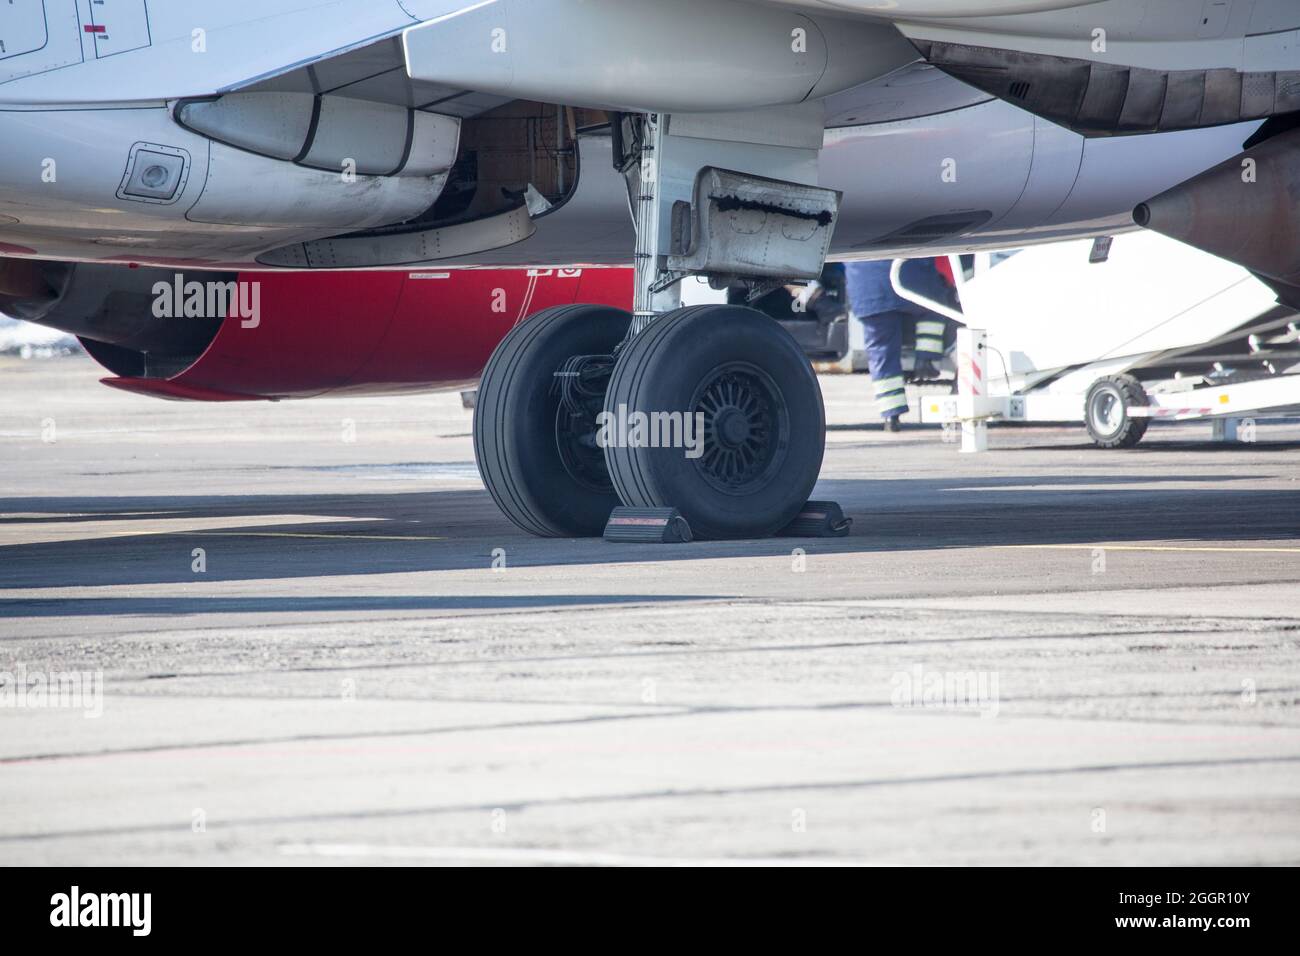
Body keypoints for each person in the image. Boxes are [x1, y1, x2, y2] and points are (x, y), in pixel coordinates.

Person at [844, 258, 954, 432]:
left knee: (881, 353)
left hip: (869, 291)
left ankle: (891, 415)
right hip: (911, 281)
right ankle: (926, 359)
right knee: (935, 308)